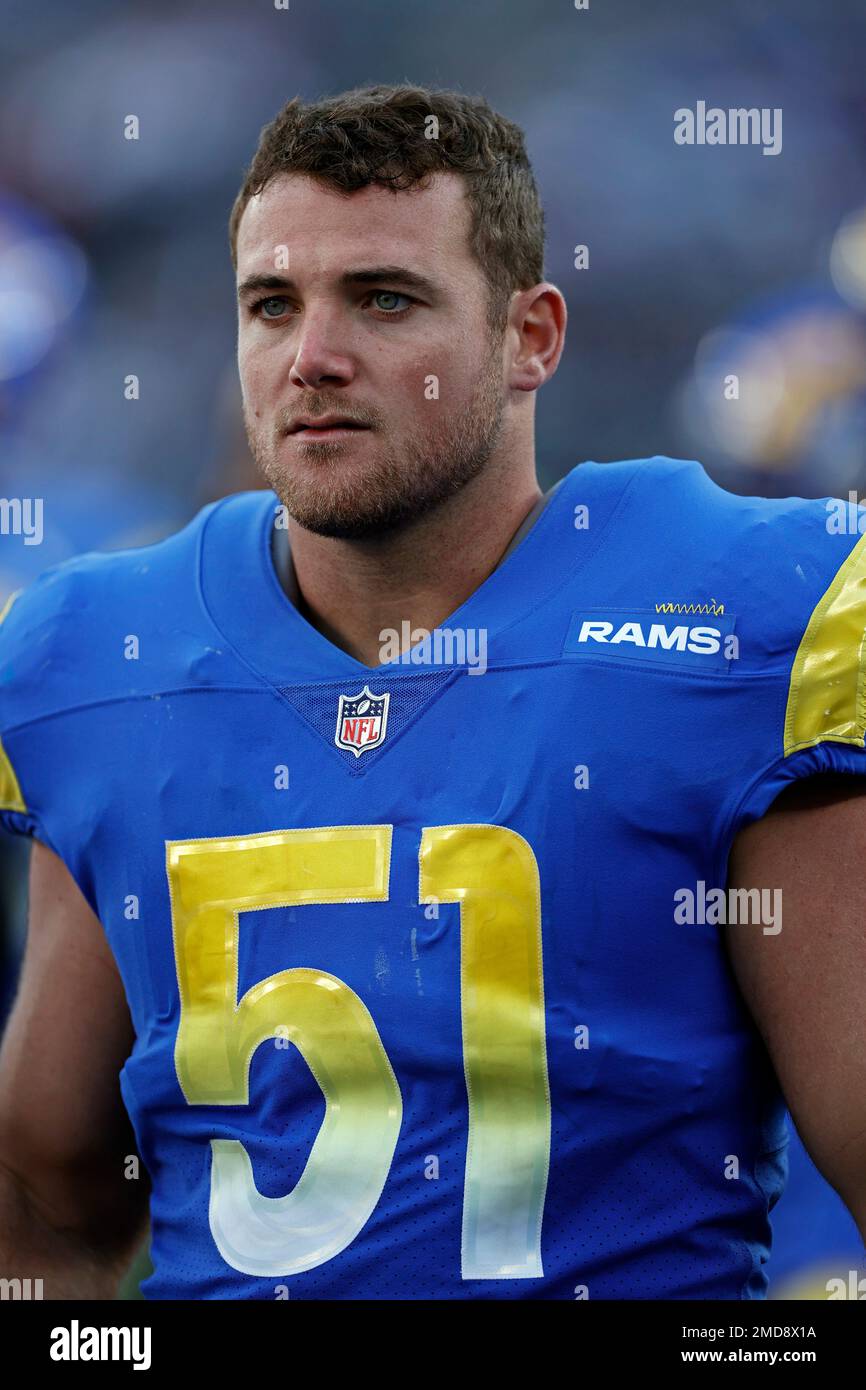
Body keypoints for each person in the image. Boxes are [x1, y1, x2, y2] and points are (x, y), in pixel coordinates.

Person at [0, 82, 864, 1300]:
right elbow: (49, 1211)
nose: (312, 359)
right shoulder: (97, 663)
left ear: (532, 337)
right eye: (270, 306)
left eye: (384, 300)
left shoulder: (733, 628)